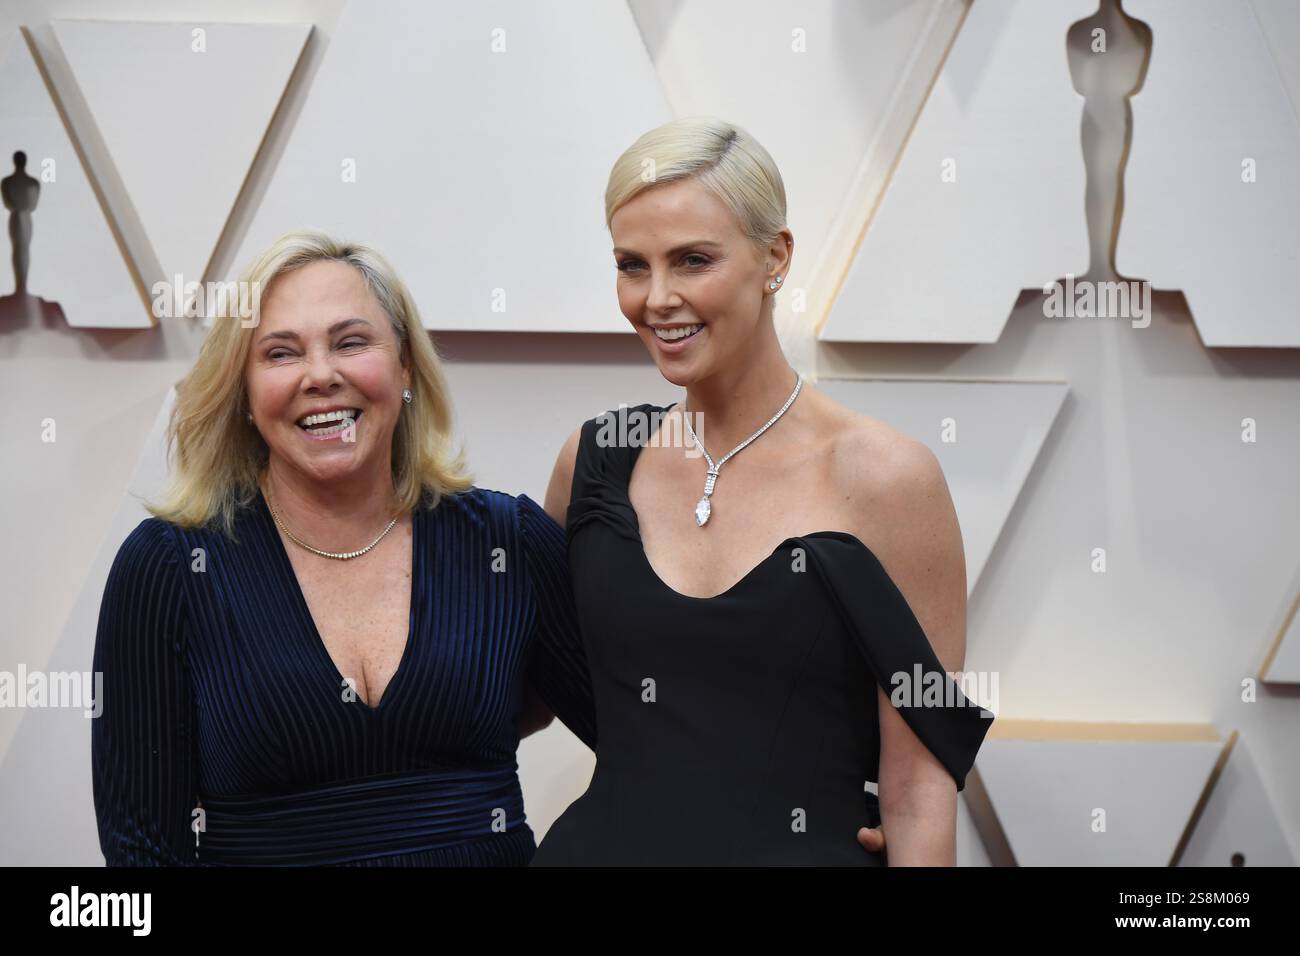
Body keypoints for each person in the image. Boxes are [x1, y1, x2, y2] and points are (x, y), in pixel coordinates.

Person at [532, 117, 993, 866]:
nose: (657, 298)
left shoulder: (888, 478)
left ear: (775, 257)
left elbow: (917, 788)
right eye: (632, 265)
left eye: (692, 260)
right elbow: (513, 694)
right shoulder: (593, 461)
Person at [91, 230, 595, 865]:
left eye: (351, 343)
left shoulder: (509, 541)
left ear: (405, 364)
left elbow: (655, 753)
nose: (321, 375)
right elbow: (141, 852)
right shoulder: (168, 567)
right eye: (280, 353)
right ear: (243, 392)